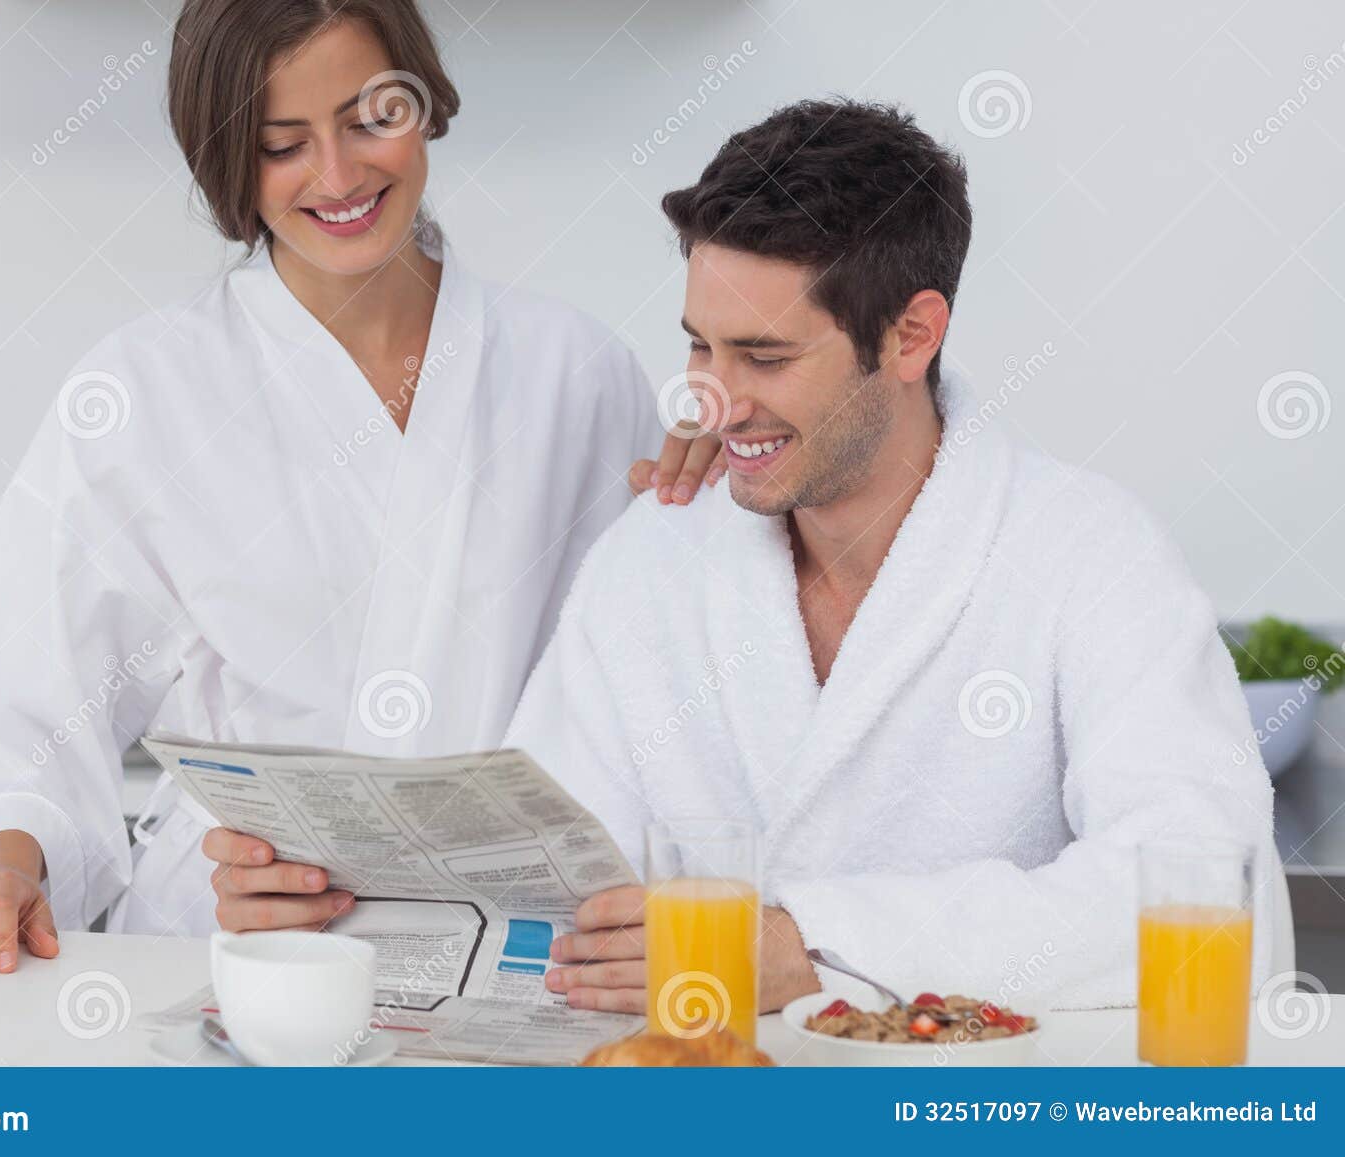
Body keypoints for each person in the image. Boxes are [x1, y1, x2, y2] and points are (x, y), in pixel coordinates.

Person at [0, 0, 719, 975]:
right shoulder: (143, 391)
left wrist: (736, 496)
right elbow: (22, 696)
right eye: (281, 145)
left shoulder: (573, 373)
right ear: (227, 163)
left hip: (509, 959)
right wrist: (2, 865)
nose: (338, 176)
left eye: (373, 118)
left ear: (424, 102)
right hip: (232, 944)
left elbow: (656, 691)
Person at [509, 100, 1295, 1012]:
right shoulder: (651, 558)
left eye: (765, 356)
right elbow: (540, 877)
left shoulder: (1090, 556)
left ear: (912, 335)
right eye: (700, 346)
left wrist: (815, 950)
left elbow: (1203, 889)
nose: (712, 402)